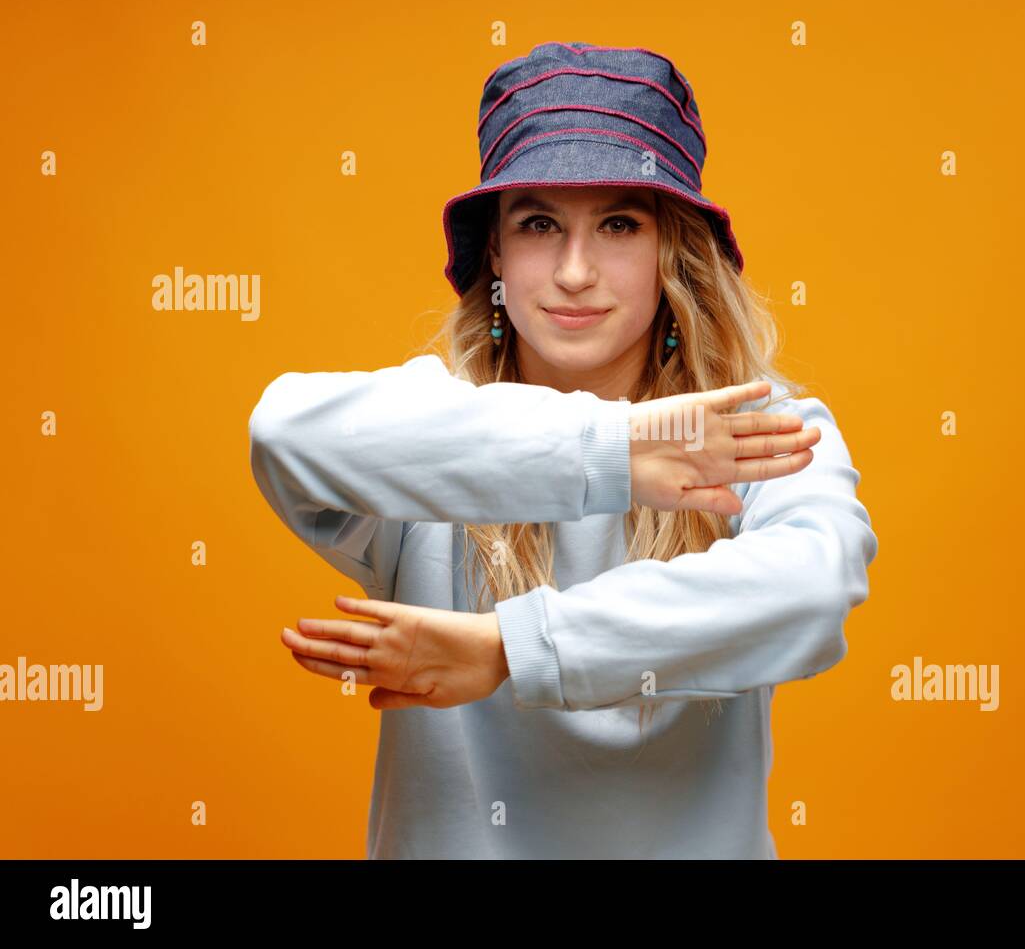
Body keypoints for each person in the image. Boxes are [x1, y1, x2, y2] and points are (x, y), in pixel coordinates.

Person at [247, 41, 879, 859]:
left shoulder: (752, 432)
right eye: (539, 223)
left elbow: (817, 583)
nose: (576, 272)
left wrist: (510, 648)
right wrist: (613, 453)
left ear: (671, 253)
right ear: (498, 257)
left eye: (619, 223)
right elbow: (281, 432)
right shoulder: (439, 429)